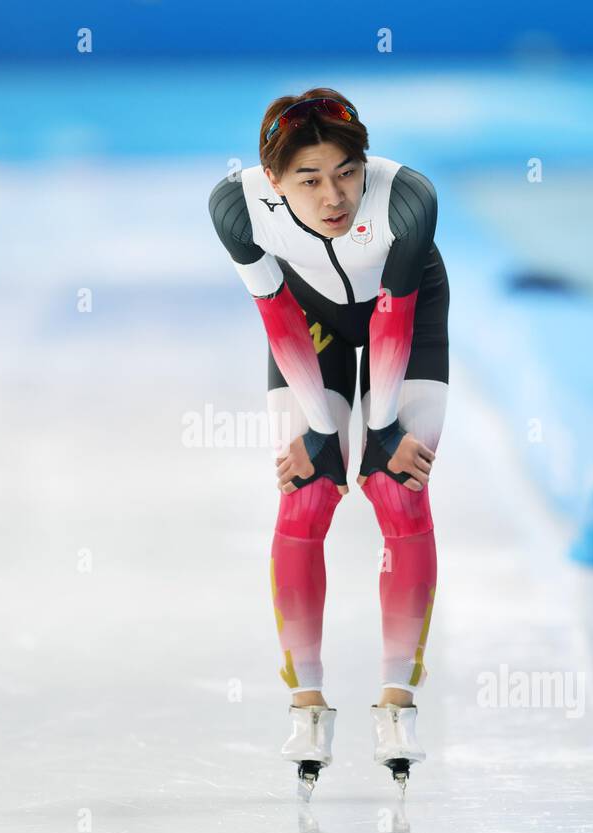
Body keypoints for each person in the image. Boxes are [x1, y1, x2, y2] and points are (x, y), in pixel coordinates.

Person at [208, 89, 449, 796]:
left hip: (404, 317)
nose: (334, 196)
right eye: (309, 179)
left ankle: (398, 702)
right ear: (275, 181)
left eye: (347, 172)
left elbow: (393, 324)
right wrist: (320, 430)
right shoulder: (237, 207)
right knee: (305, 497)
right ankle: (307, 704)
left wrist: (378, 438)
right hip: (306, 322)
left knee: (397, 489)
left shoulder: (406, 199)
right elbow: (278, 317)